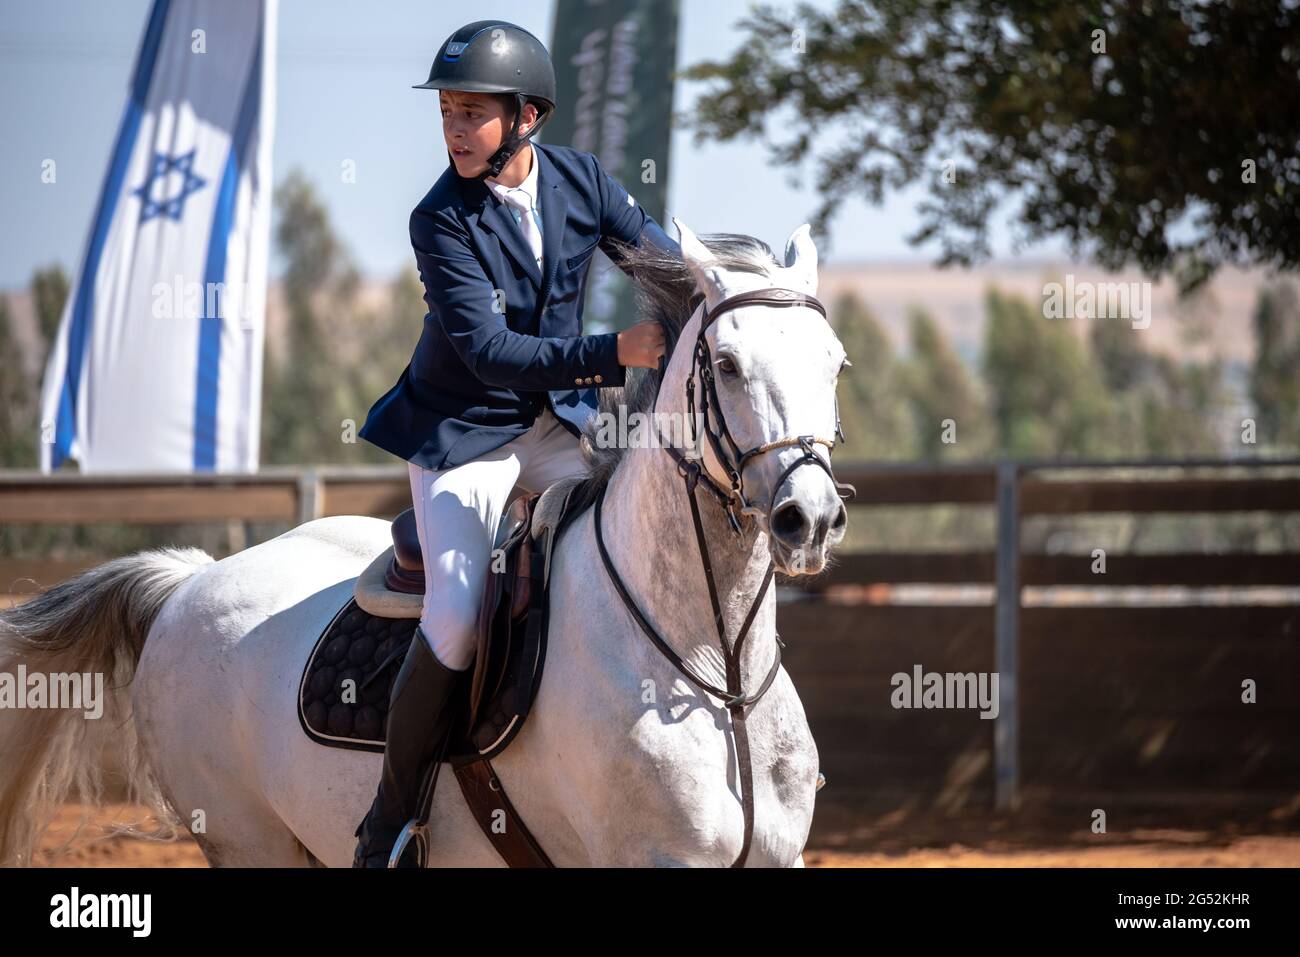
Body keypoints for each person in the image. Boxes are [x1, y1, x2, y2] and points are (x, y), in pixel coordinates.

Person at [351, 19, 679, 867]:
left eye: (472, 113)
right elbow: (492, 355)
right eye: (448, 113)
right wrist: (616, 352)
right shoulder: (440, 219)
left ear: (526, 116)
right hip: (464, 437)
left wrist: (722, 294)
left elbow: (660, 259)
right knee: (457, 615)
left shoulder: (581, 179)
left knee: (609, 563)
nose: (455, 130)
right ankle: (389, 821)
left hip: (552, 428)